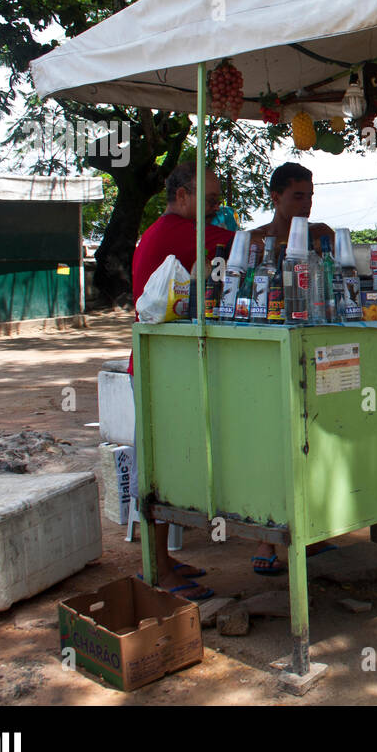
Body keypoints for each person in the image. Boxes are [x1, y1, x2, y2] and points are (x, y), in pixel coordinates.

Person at [129, 162, 236, 599]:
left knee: (169, 464)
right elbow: (245, 243)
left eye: (217, 199)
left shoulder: (172, 230)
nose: (215, 207)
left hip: (165, 365)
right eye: (208, 200)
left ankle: (163, 560)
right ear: (181, 196)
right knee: (159, 469)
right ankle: (157, 569)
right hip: (160, 369)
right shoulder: (178, 231)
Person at [246, 161, 336, 576]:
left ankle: (312, 527)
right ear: (275, 197)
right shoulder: (254, 241)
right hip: (268, 353)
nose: (306, 202)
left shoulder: (323, 237)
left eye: (310, 194)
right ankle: (267, 535)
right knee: (270, 440)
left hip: (315, 348)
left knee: (313, 438)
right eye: (298, 195)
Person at [248, 162, 334, 255]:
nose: (307, 203)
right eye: (298, 197)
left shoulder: (321, 233)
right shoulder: (254, 238)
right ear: (276, 197)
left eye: (309, 196)